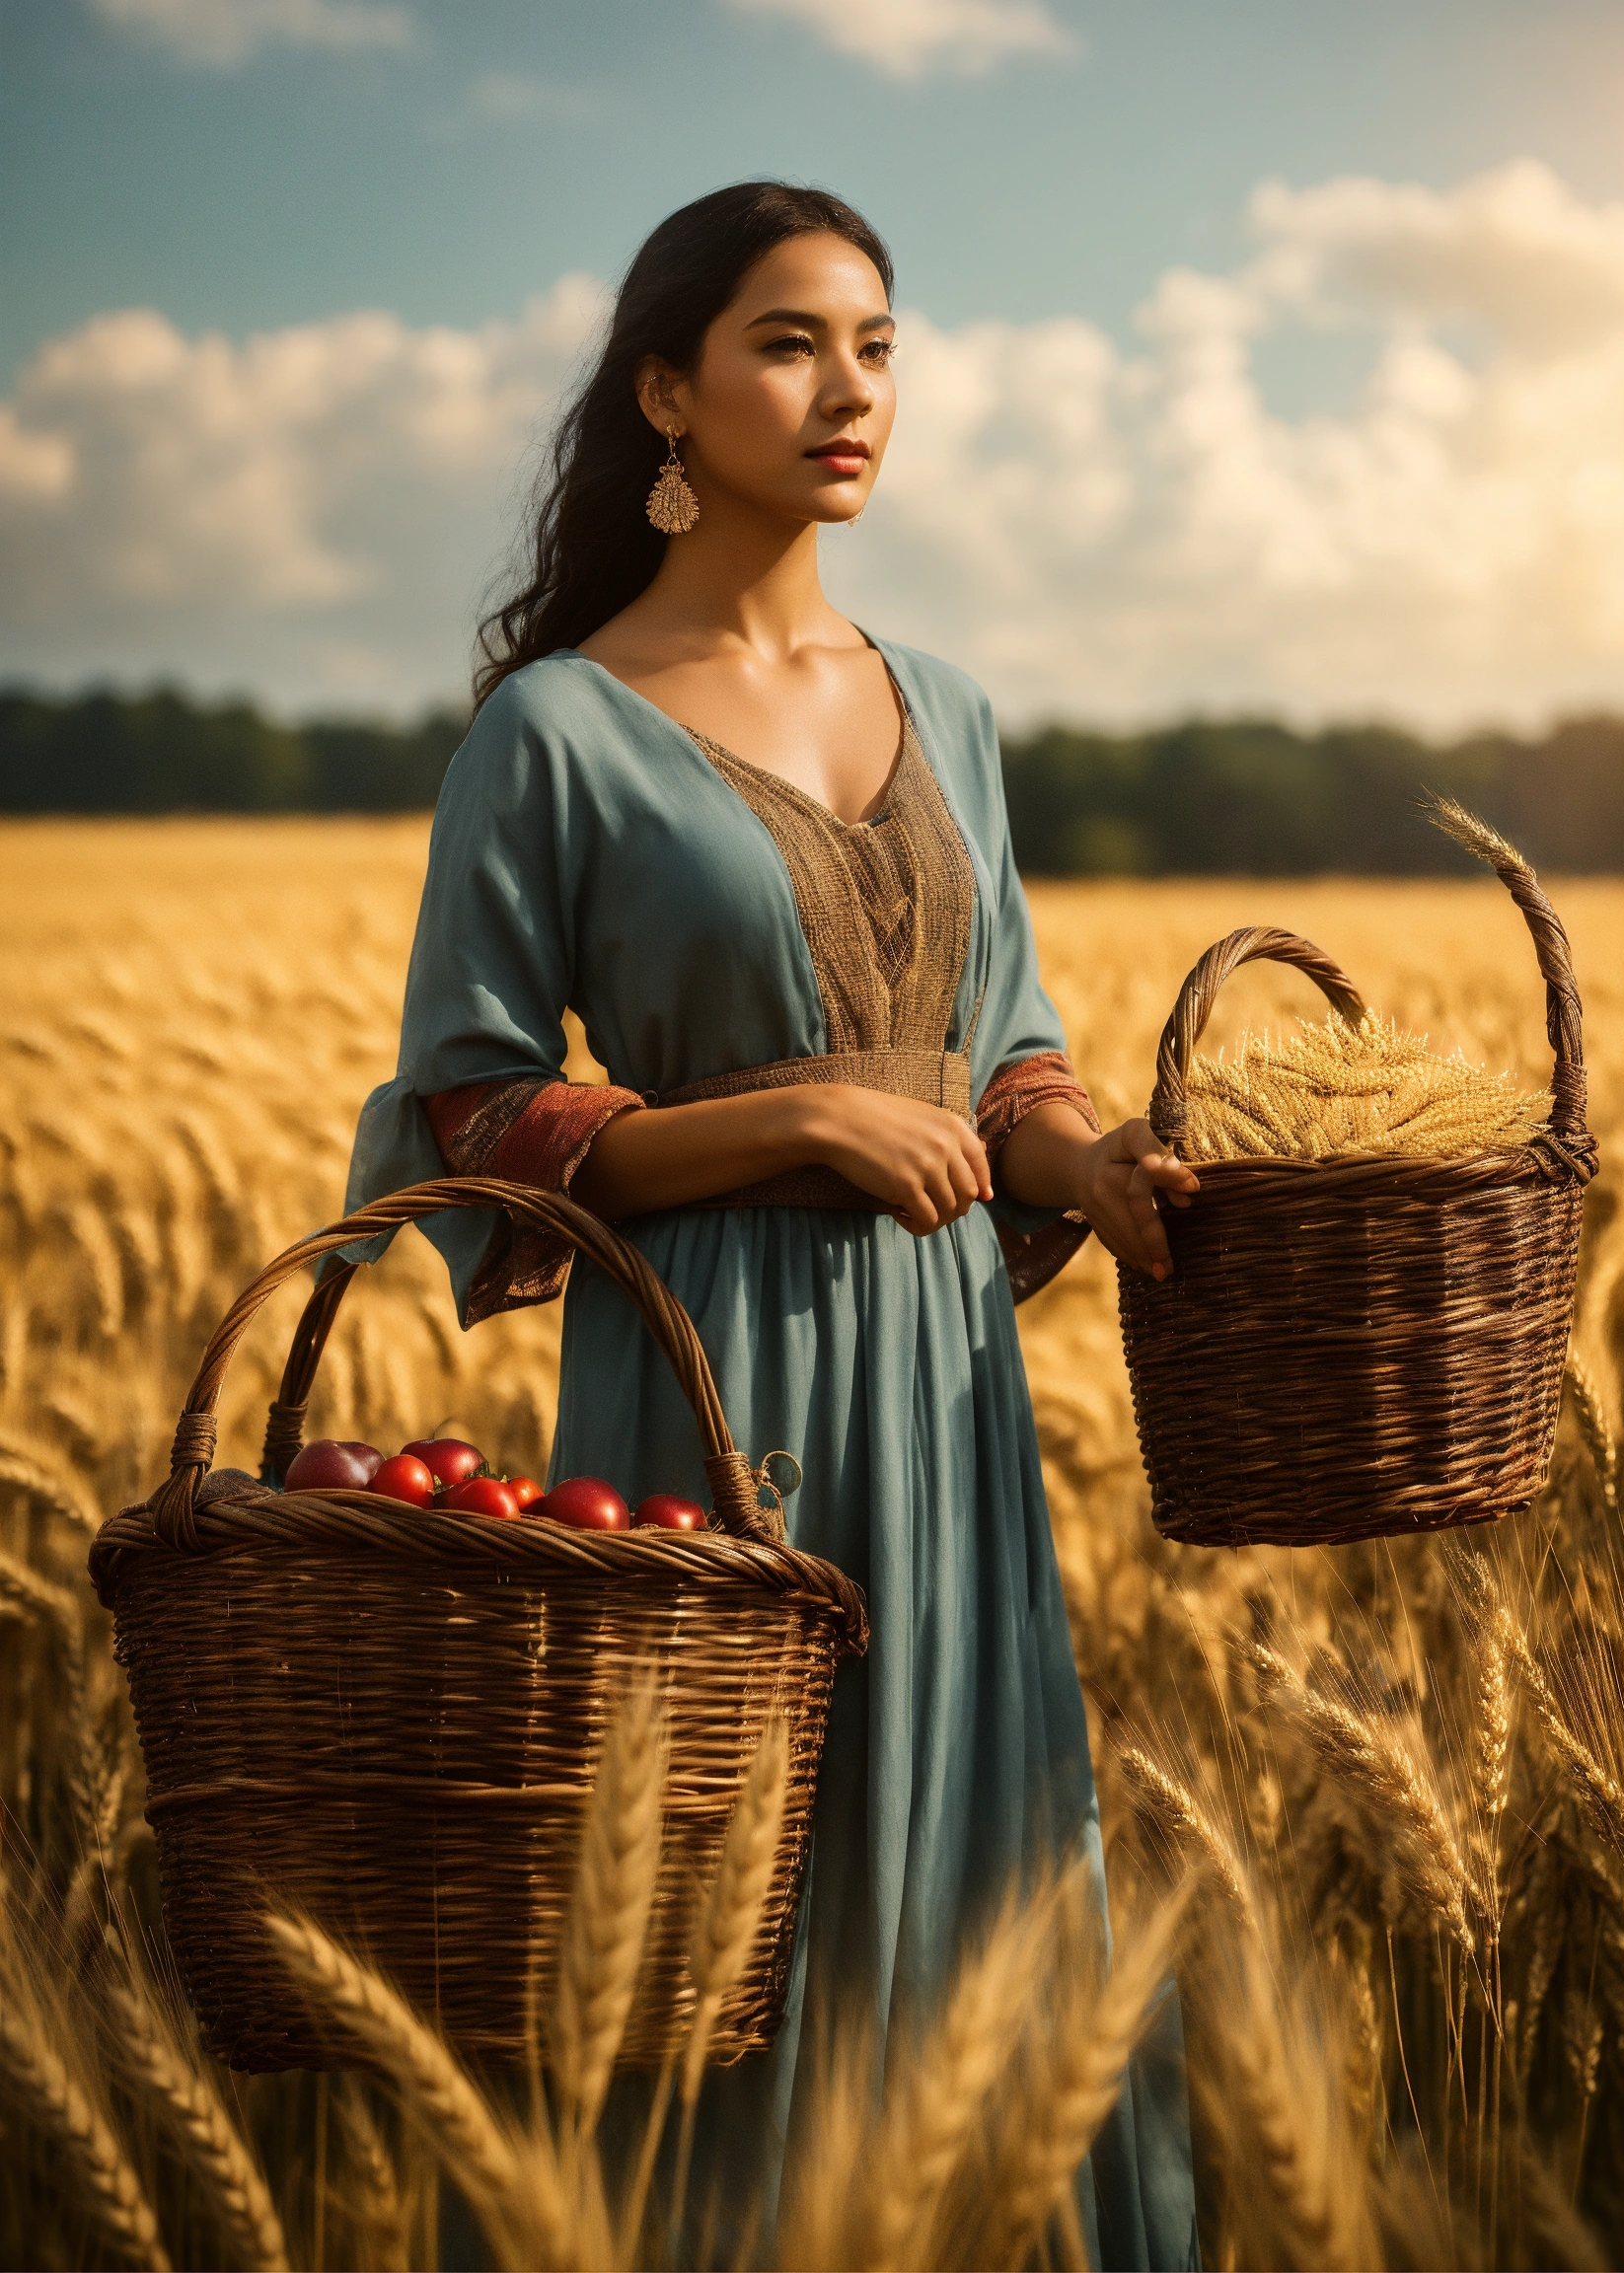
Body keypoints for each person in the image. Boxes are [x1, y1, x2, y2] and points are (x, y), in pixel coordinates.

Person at [344, 180, 1200, 2267]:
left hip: (949, 1380)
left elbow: (1008, 1044)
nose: (850, 390)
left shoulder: (952, 705)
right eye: (790, 342)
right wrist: (789, 1120)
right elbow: (465, 1099)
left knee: (973, 1877)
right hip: (706, 1382)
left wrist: (1079, 1163)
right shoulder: (551, 729)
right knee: (713, 1912)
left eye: (879, 345)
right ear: (666, 390)